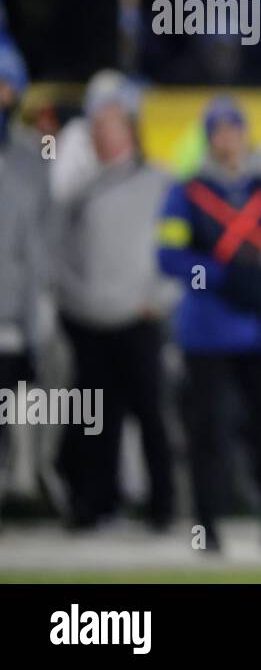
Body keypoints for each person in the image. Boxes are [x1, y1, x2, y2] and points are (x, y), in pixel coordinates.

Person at [156, 96, 261, 553]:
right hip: (207, 326)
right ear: (209, 137)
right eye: (220, 131)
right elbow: (168, 255)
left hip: (260, 328)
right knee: (206, 432)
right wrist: (220, 275)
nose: (229, 140)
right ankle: (207, 526)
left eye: (236, 130)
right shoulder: (187, 192)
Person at [55, 73, 175, 530]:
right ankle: (96, 503)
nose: (102, 133)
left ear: (130, 127)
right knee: (94, 417)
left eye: (111, 123)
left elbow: (180, 248)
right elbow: (59, 250)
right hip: (91, 317)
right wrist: (73, 298)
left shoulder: (161, 181)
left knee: (150, 413)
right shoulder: (80, 192)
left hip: (139, 314)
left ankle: (163, 506)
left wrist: (160, 298)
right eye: (96, 125)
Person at [0, 38, 48, 525]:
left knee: (24, 401)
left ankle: (25, 486)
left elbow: (41, 239)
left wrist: (36, 308)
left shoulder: (31, 157)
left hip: (14, 307)